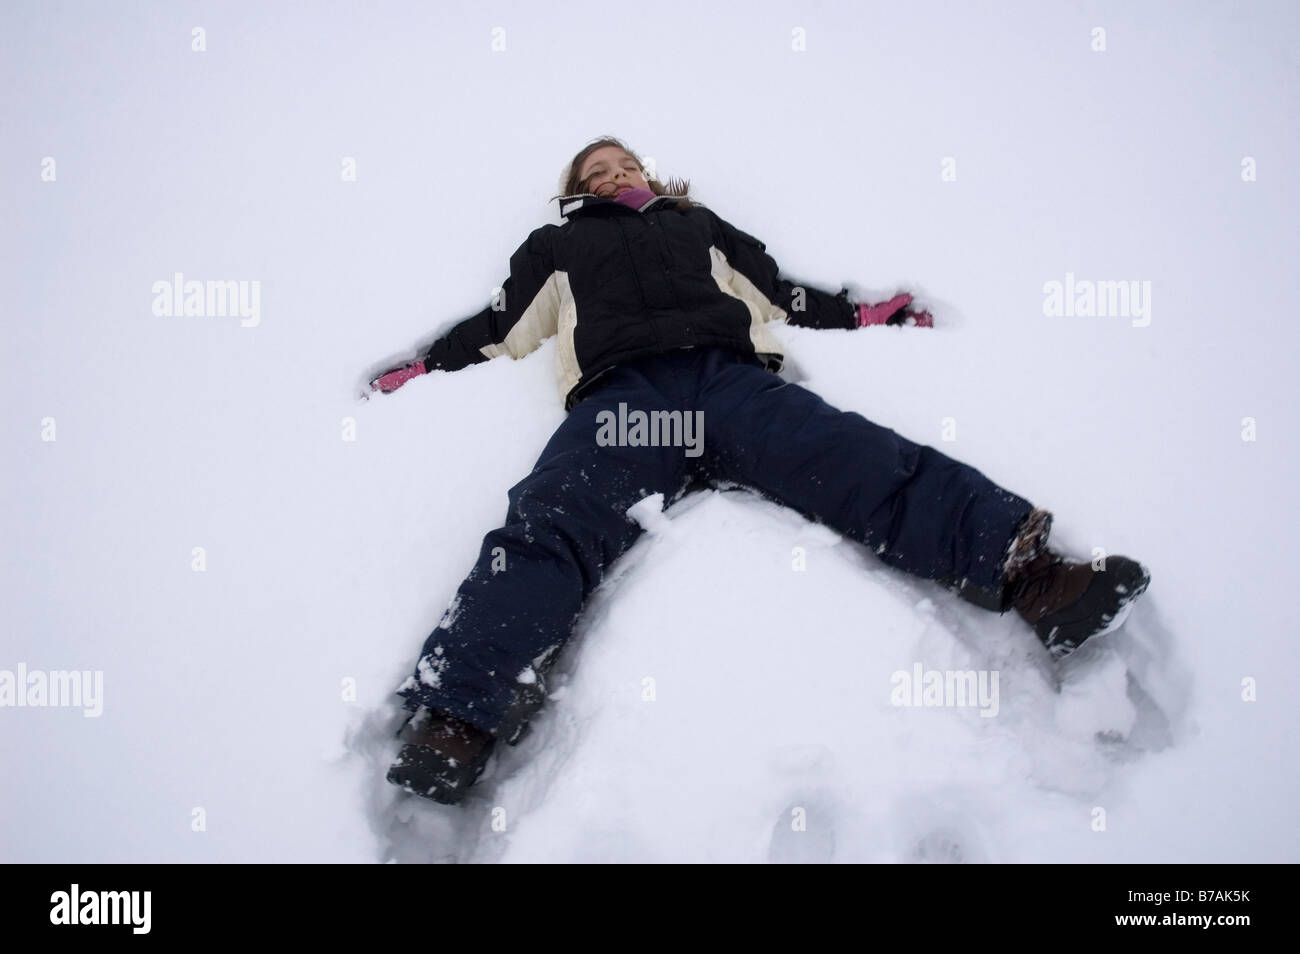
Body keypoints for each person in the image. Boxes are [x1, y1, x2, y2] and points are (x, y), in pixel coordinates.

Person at [368, 136, 1151, 805]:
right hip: (628, 399)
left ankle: (1039, 579)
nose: (611, 175)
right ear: (575, 192)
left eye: (622, 163)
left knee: (863, 459)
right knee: (554, 518)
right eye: (594, 172)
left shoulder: (695, 225)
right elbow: (504, 323)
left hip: (730, 383)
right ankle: (456, 720)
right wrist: (422, 363)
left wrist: (867, 312)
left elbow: (777, 293)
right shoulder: (559, 247)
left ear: (647, 173)